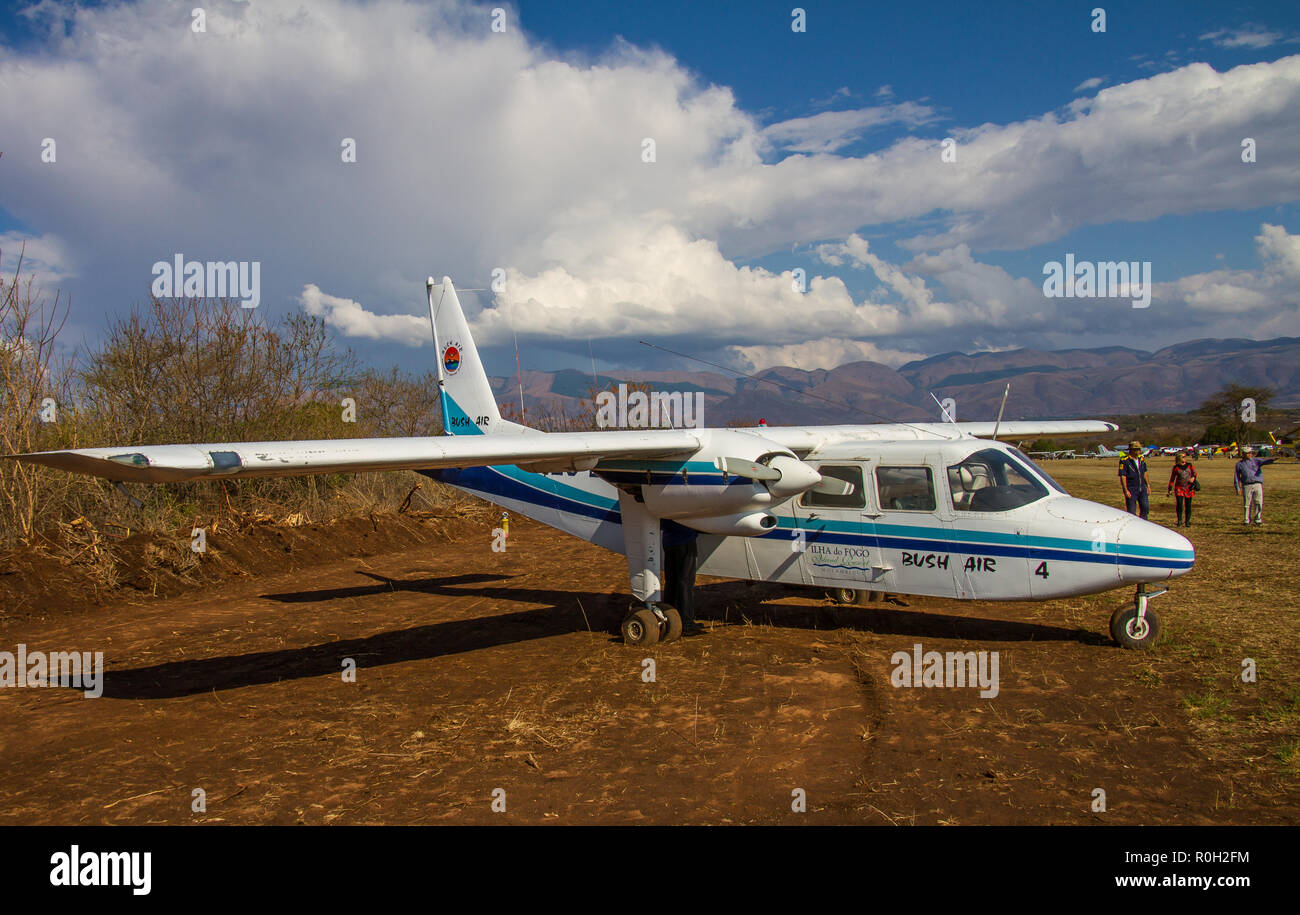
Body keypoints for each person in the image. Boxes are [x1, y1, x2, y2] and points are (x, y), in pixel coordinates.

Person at [1234, 446, 1276, 525]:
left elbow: (1264, 461)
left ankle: (1258, 519)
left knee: (1258, 502)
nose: (1250, 454)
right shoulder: (1239, 464)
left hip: (1257, 484)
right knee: (1247, 504)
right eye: (1248, 453)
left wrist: (1272, 460)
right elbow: (1237, 477)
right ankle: (1246, 520)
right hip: (1246, 485)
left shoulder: (1256, 461)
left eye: (1251, 453)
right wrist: (1238, 488)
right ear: (1243, 454)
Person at [1118, 441, 1150, 519]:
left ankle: (1143, 522)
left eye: (1139, 449)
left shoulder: (1141, 459)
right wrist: (1125, 490)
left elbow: (1145, 472)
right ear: (1131, 450)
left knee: (1145, 507)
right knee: (1131, 510)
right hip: (1131, 488)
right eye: (1137, 449)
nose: (1139, 451)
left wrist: (1148, 485)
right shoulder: (1124, 460)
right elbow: (1123, 476)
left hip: (1142, 487)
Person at [1167, 450, 1198, 527]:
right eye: (1183, 457)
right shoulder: (1176, 467)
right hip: (1179, 488)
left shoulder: (1189, 465)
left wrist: (1193, 478)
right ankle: (1179, 521)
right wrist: (1170, 489)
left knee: (1188, 505)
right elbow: (1172, 478)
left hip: (1189, 488)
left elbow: (1195, 473)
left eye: (1185, 456)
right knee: (1179, 504)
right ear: (1179, 458)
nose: (1185, 458)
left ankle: (1187, 521)